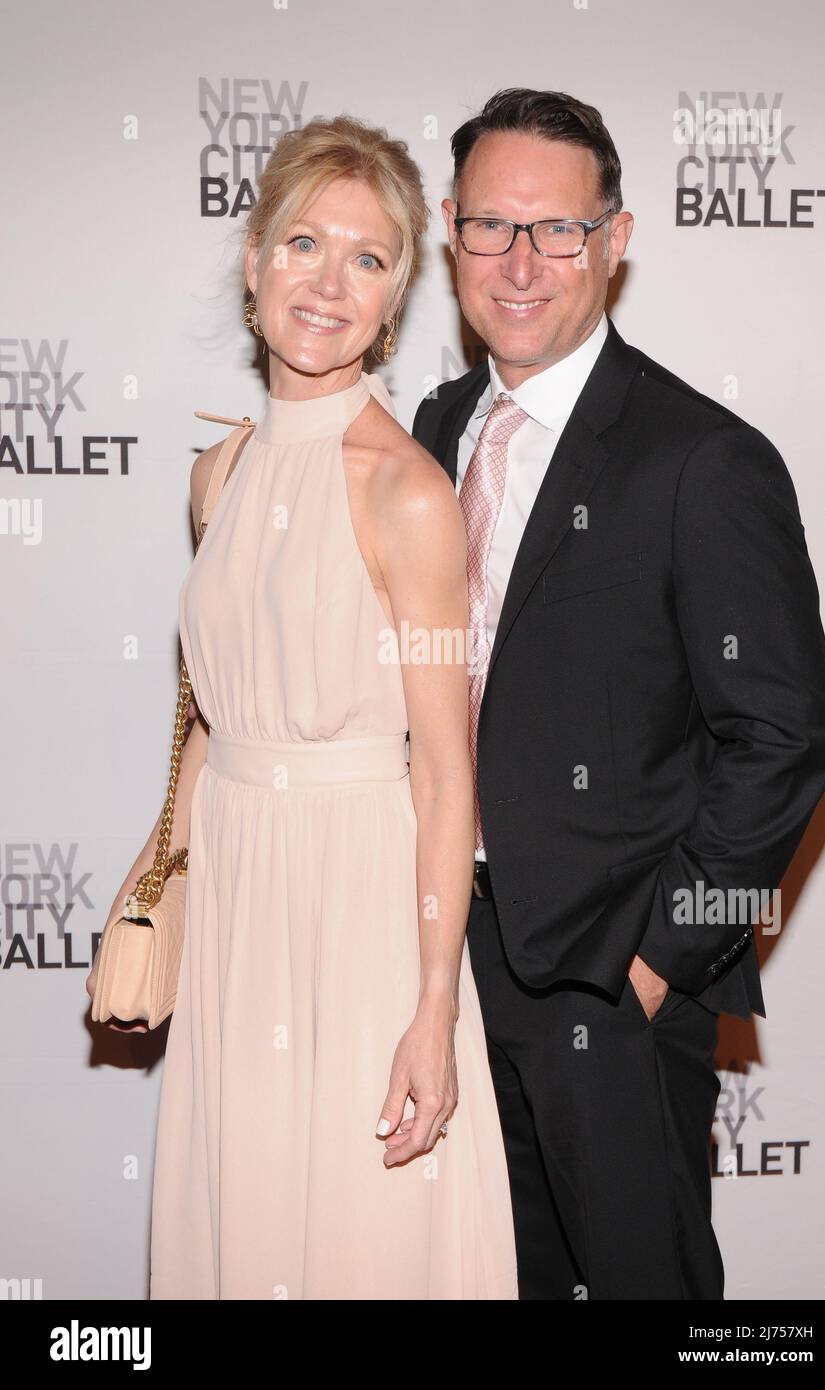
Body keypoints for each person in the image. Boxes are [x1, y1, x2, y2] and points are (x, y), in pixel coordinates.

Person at [411, 87, 825, 1300]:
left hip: (609, 979)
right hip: (450, 962)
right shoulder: (436, 429)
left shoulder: (697, 456)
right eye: (492, 226)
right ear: (450, 232)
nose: (521, 262)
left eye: (557, 230)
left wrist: (655, 959)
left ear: (616, 237)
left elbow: (786, 737)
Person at [90, 115, 517, 1300]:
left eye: (369, 259)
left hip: (360, 896)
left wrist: (431, 1006)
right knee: (245, 1218)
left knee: (359, 1237)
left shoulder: (407, 492)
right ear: (253, 261)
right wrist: (154, 878)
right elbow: (211, 724)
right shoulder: (214, 474)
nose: (328, 284)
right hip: (236, 887)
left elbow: (443, 771)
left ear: (394, 303)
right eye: (304, 244)